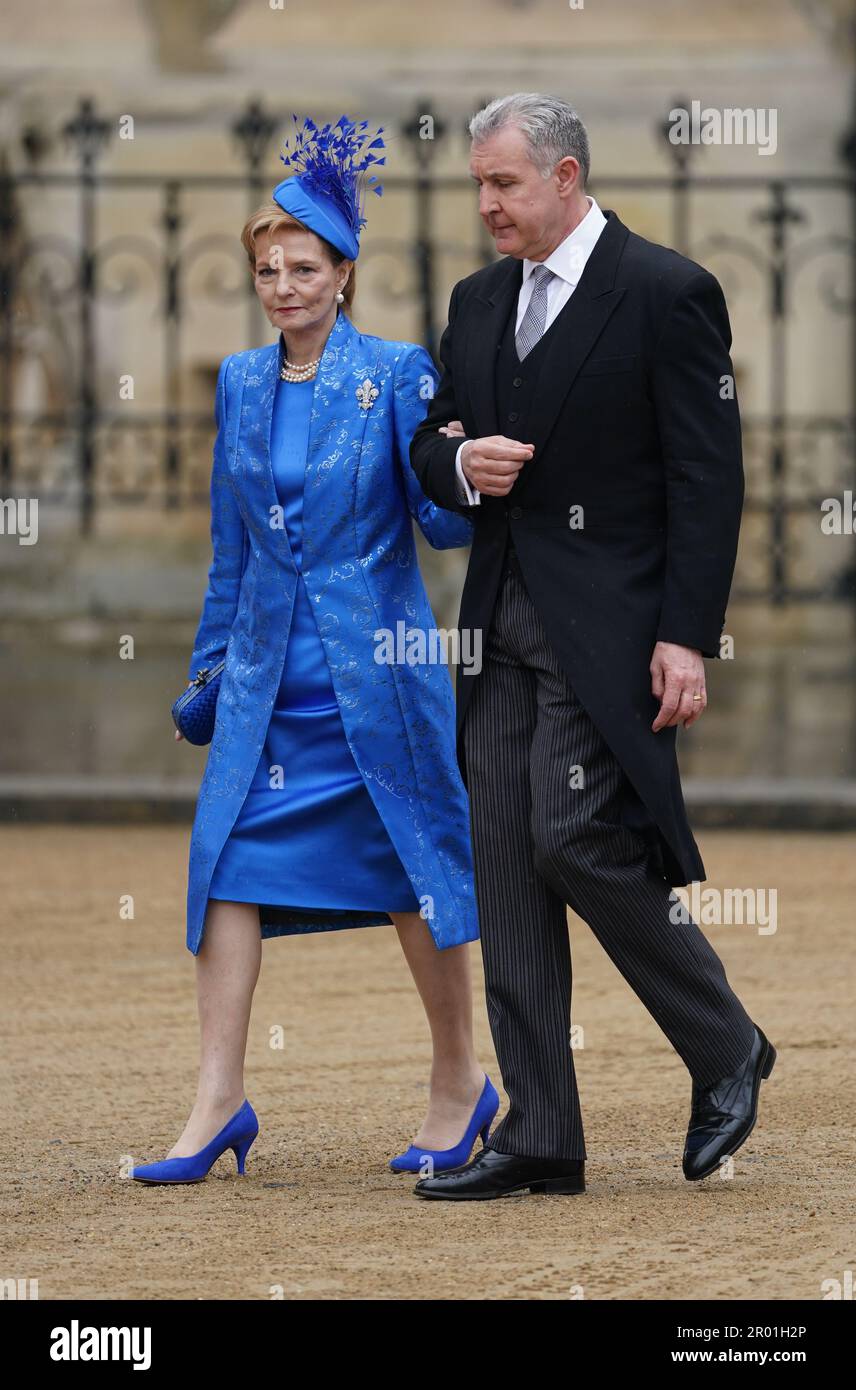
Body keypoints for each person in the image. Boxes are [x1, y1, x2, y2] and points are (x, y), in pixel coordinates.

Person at [409, 92, 776, 1201]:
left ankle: (724, 1046)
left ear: (565, 176)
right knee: (510, 864)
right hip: (498, 623)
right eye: (477, 184)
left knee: (574, 835)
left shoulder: (664, 292)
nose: (486, 204)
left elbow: (707, 482)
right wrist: (459, 467)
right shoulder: (476, 303)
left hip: (611, 632)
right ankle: (541, 1136)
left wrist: (684, 635)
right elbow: (430, 437)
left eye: (504, 183)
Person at [131, 116, 498, 1186]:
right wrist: (207, 670)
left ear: (344, 273)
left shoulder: (395, 374)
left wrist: (466, 466)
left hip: (375, 674)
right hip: (262, 683)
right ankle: (218, 1098)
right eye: (266, 270)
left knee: (410, 875)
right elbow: (230, 547)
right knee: (226, 871)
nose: (284, 286)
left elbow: (442, 524)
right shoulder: (241, 383)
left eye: (303, 267)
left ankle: (458, 1080)